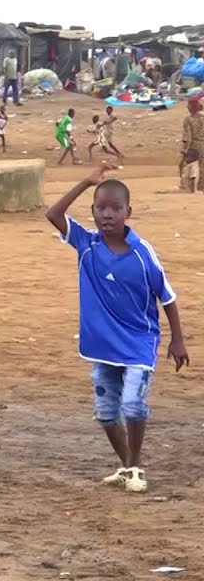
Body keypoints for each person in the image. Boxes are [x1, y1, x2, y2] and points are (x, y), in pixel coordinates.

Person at [45, 163, 189, 494]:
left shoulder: (142, 254)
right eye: (100, 208)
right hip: (103, 346)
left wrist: (177, 340)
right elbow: (53, 214)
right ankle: (127, 466)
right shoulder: (86, 244)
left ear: (128, 212)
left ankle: (135, 465)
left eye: (115, 208)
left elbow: (166, 297)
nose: (107, 215)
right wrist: (85, 181)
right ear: (93, 211)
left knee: (133, 405)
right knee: (107, 413)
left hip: (139, 341)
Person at [179, 97, 204, 177]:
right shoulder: (202, 118)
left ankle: (186, 186)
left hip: (194, 147)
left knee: (186, 166)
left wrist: (185, 149)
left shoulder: (188, 119)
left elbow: (188, 137)